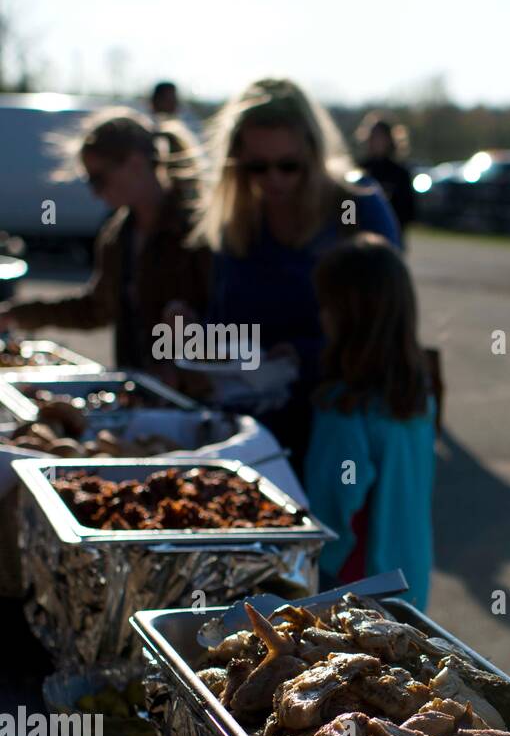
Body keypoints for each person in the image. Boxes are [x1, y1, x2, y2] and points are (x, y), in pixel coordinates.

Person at [194, 78, 400, 469]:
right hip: (248, 435)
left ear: (313, 152)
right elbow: (228, 322)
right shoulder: (238, 219)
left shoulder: (355, 208)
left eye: (288, 166)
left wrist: (303, 355)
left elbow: (385, 330)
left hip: (333, 434)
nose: (273, 179)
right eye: (257, 167)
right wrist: (198, 339)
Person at [0, 109, 209, 371]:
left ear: (135, 164)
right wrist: (18, 314)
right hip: (140, 390)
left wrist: (193, 337)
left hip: (196, 395)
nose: (95, 193)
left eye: (99, 179)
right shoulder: (117, 235)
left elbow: (236, 325)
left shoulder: (198, 232)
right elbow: (97, 308)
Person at [304, 233, 434, 606]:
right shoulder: (417, 397)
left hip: (353, 587)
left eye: (326, 305)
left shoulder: (343, 408)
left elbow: (332, 509)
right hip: (409, 580)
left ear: (349, 317)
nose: (319, 315)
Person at [356, 111, 415, 235]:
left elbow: (409, 210)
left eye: (381, 137)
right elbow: (347, 203)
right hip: (361, 237)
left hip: (389, 236)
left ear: (390, 140)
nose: (377, 141)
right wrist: (349, 227)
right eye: (374, 136)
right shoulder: (359, 170)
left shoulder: (399, 173)